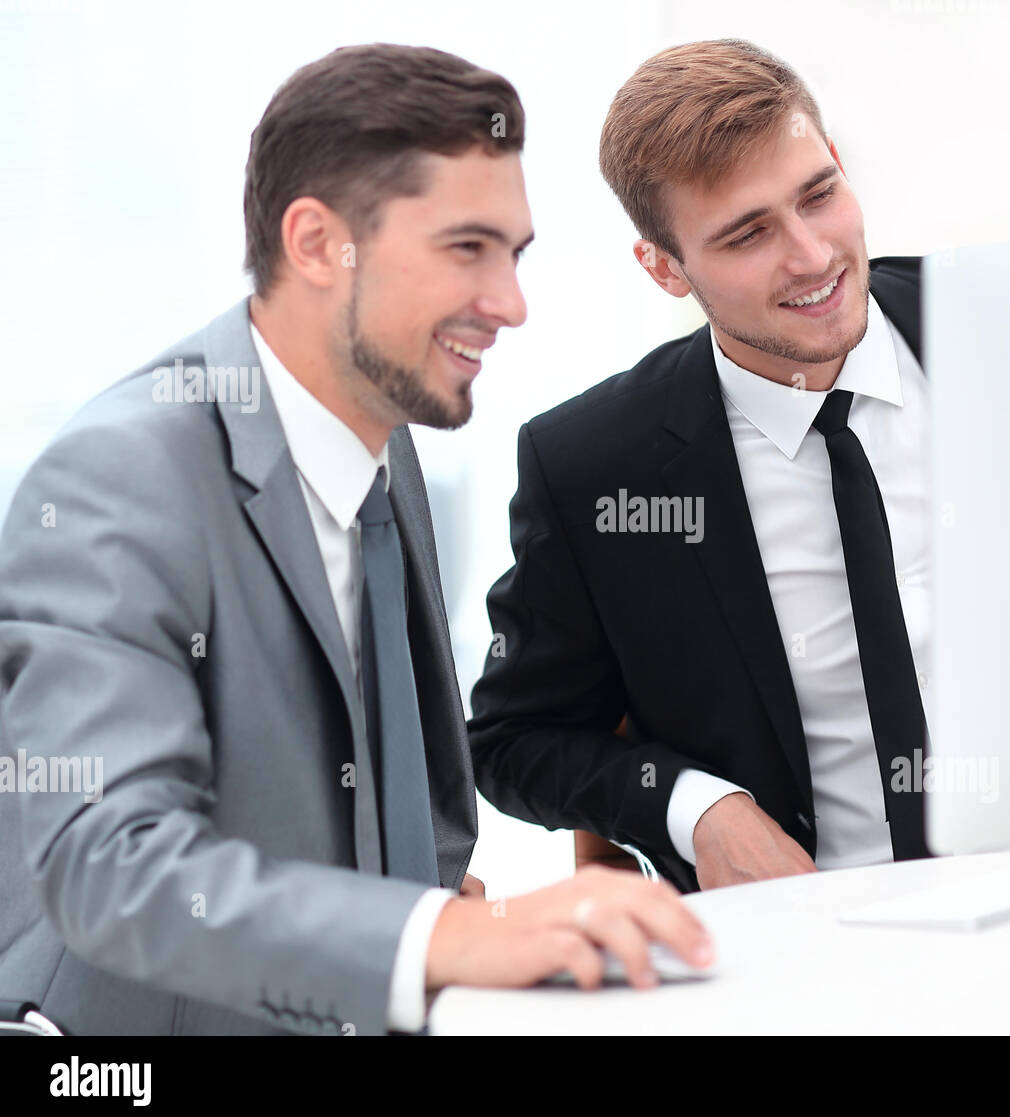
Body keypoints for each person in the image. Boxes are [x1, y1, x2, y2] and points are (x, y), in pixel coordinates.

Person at [0, 42, 710, 1037]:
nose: (511, 303)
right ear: (316, 243)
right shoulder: (120, 480)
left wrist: (449, 915)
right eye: (467, 248)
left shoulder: (384, 433)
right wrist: (444, 940)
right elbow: (113, 867)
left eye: (515, 254)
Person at [468, 39, 1010, 895]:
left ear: (840, 164)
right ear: (664, 268)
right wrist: (696, 809)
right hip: (812, 952)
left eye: (818, 194)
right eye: (747, 234)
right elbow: (515, 740)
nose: (811, 256)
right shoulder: (592, 466)